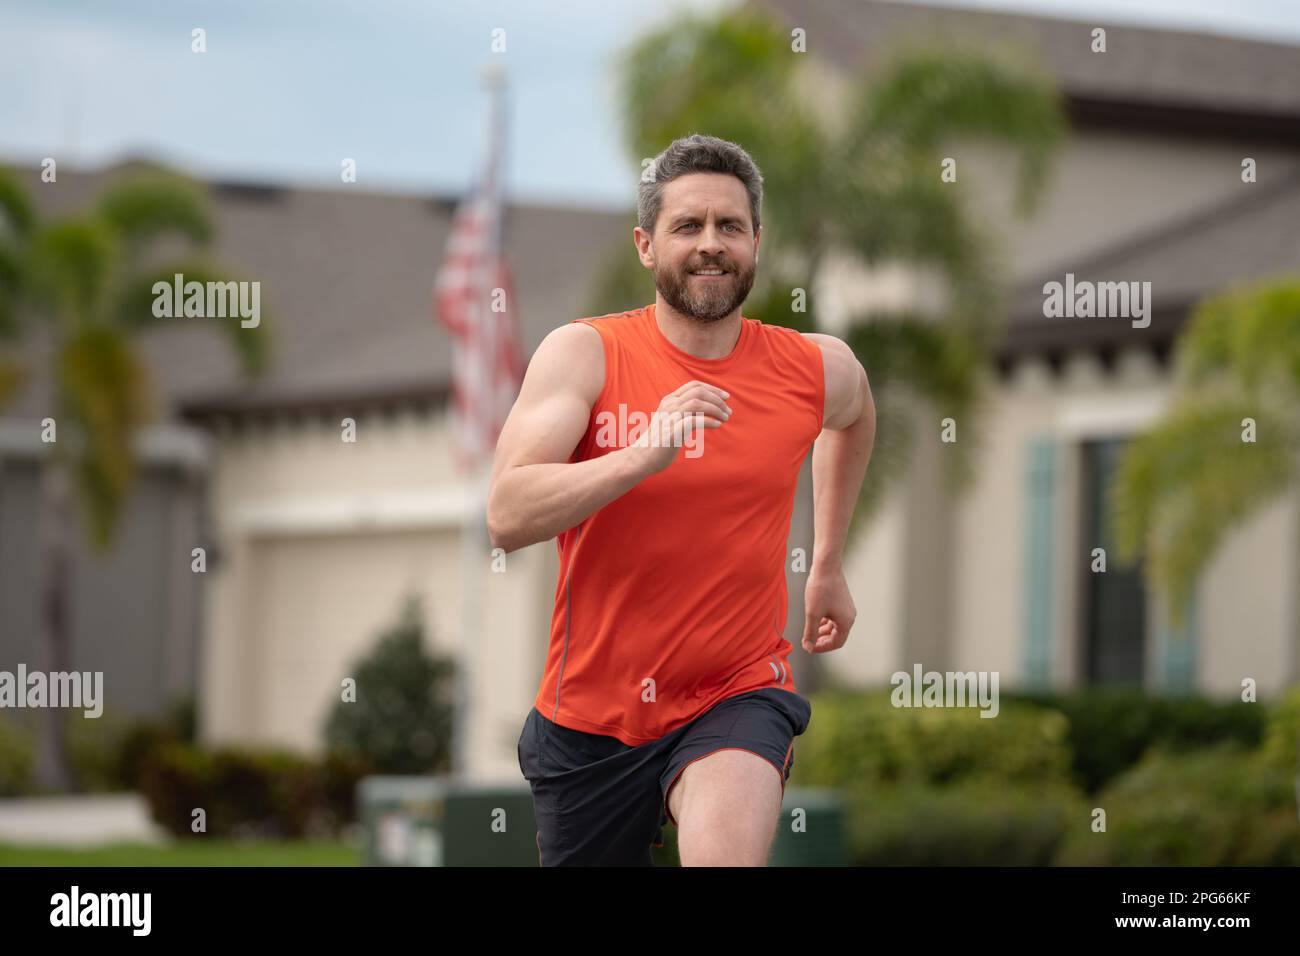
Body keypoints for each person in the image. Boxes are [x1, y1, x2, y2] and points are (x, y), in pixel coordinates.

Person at [487, 133, 876, 866]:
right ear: (645, 244)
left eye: (730, 226)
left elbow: (856, 414)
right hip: (590, 720)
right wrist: (641, 456)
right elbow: (506, 515)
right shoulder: (586, 355)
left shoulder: (810, 367)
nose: (711, 244)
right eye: (688, 226)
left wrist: (827, 561)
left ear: (756, 241)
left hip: (734, 693)